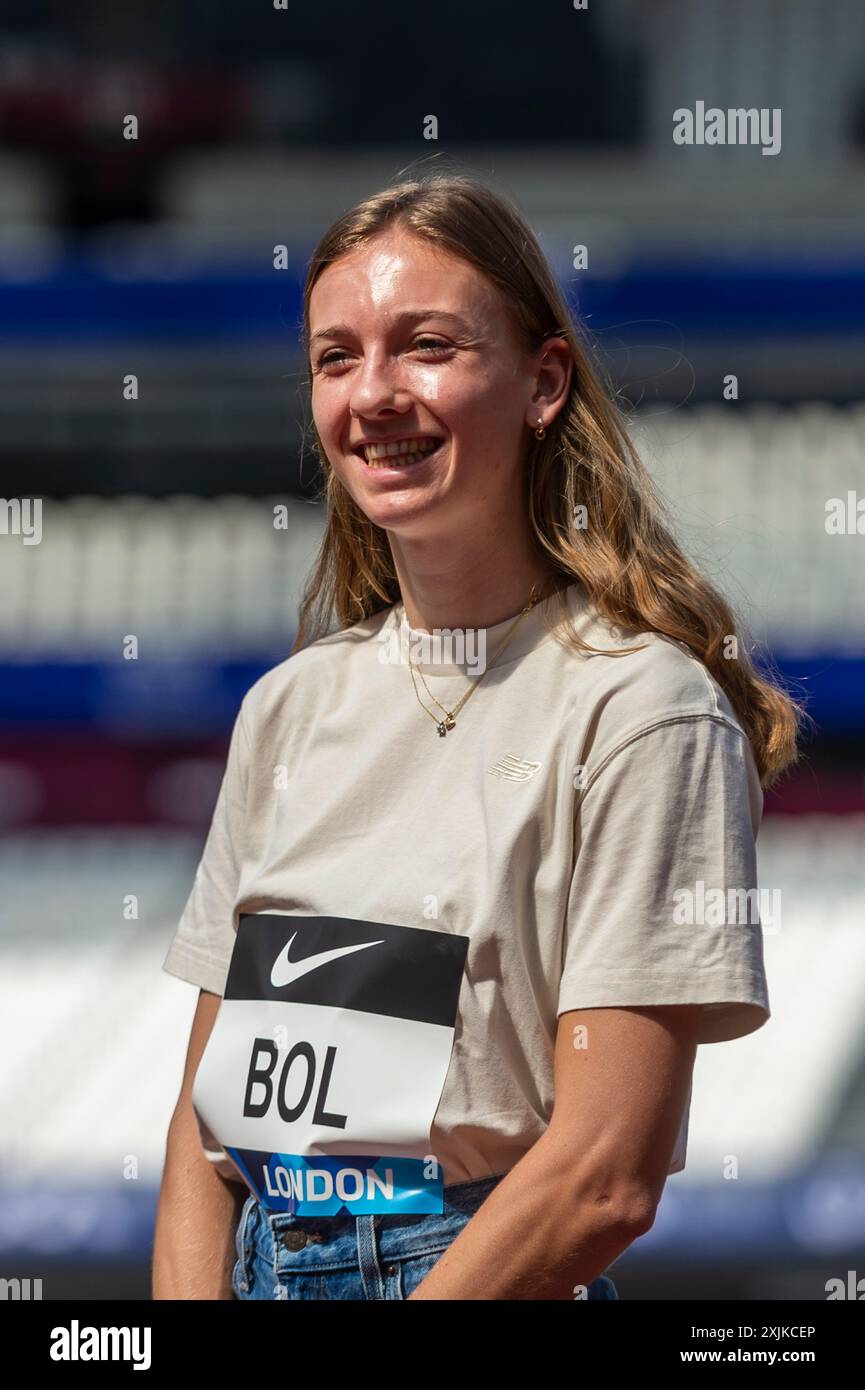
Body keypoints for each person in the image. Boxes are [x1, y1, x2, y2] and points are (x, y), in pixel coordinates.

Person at [152, 172, 802, 1301]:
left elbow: (604, 1176)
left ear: (543, 380)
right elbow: (209, 1133)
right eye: (335, 356)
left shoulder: (644, 708)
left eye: (427, 346)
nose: (374, 394)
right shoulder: (288, 709)